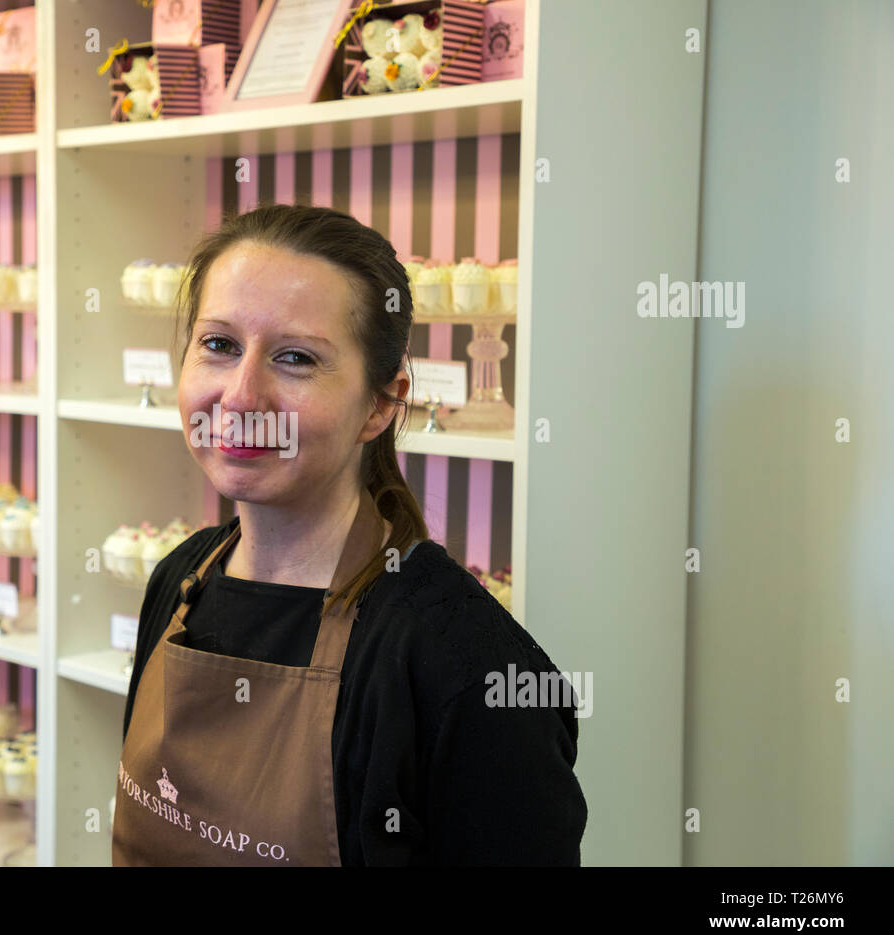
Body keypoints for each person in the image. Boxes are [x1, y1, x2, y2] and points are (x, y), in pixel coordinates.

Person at [113, 204, 587, 866]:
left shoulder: (468, 668)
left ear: (379, 405)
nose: (242, 397)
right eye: (218, 344)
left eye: (296, 358)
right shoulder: (178, 580)